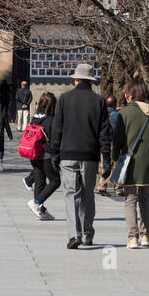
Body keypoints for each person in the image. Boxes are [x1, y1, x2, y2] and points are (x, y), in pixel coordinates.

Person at [48, 63, 111, 249]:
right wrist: (106, 157)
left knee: (70, 194)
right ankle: (87, 233)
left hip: (68, 153)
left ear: (76, 79)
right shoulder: (99, 101)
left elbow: (57, 129)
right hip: (91, 155)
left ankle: (74, 234)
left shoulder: (65, 99)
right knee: (87, 195)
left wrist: (54, 152)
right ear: (90, 80)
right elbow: (104, 132)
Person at [112, 78, 149, 248]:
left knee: (130, 199)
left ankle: (133, 237)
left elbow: (118, 140)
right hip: (148, 161)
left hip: (129, 162)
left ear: (131, 94)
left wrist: (114, 157)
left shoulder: (124, 113)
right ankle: (146, 236)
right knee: (144, 198)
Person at [23, 92, 59, 221]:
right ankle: (36, 203)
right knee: (55, 181)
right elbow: (55, 138)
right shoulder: (51, 118)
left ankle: (41, 211)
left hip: (33, 154)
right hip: (46, 155)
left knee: (39, 183)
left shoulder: (35, 117)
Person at [96, 94, 120, 197]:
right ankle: (118, 189)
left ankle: (102, 186)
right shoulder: (119, 115)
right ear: (115, 104)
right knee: (118, 166)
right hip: (116, 144)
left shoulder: (101, 114)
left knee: (106, 166)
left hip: (103, 144)